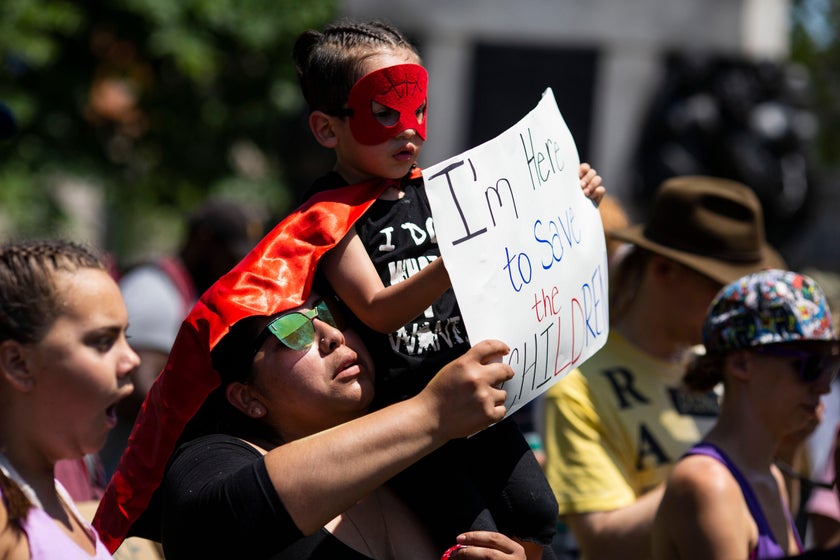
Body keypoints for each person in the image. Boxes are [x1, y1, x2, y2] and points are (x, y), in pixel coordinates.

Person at [92, 153, 540, 559]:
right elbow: (222, 517)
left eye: (330, 313)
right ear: (247, 397)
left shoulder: (424, 466)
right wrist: (430, 413)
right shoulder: (213, 458)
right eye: (291, 331)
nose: (330, 335)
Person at [294, 19, 604, 557]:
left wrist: (568, 202)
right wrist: (458, 258)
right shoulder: (326, 216)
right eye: (385, 114)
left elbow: (516, 246)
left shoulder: (439, 188)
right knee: (468, 532)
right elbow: (377, 309)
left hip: (478, 396)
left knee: (537, 513)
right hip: (407, 417)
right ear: (327, 129)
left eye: (419, 111)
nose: (409, 129)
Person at [539, 175, 786, 560]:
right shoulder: (579, 384)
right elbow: (602, 540)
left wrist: (785, 444)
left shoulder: (729, 368)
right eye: (722, 289)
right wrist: (722, 464)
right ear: (664, 271)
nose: (740, 307)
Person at [651, 268, 840, 559]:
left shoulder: (770, 475)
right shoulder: (708, 485)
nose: (825, 386)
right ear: (741, 363)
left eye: (830, 364)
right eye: (811, 365)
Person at [102, 198, 263, 477]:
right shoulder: (154, 290)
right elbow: (135, 386)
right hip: (114, 471)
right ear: (204, 240)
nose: (236, 267)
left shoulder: (189, 293)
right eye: (230, 254)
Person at [0, 239, 139, 558]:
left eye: (125, 337)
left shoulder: (52, 493)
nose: (131, 359)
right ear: (19, 363)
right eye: (103, 341)